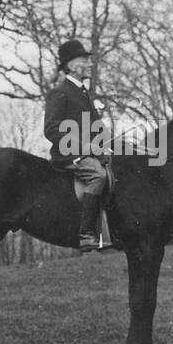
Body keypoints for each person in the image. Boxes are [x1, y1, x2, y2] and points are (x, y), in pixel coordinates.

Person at [44, 39, 107, 252]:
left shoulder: (83, 93)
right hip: (69, 156)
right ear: (71, 66)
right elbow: (52, 129)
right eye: (84, 60)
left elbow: (96, 128)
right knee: (98, 176)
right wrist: (87, 147)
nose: (90, 64)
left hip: (91, 151)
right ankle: (86, 234)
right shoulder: (60, 92)